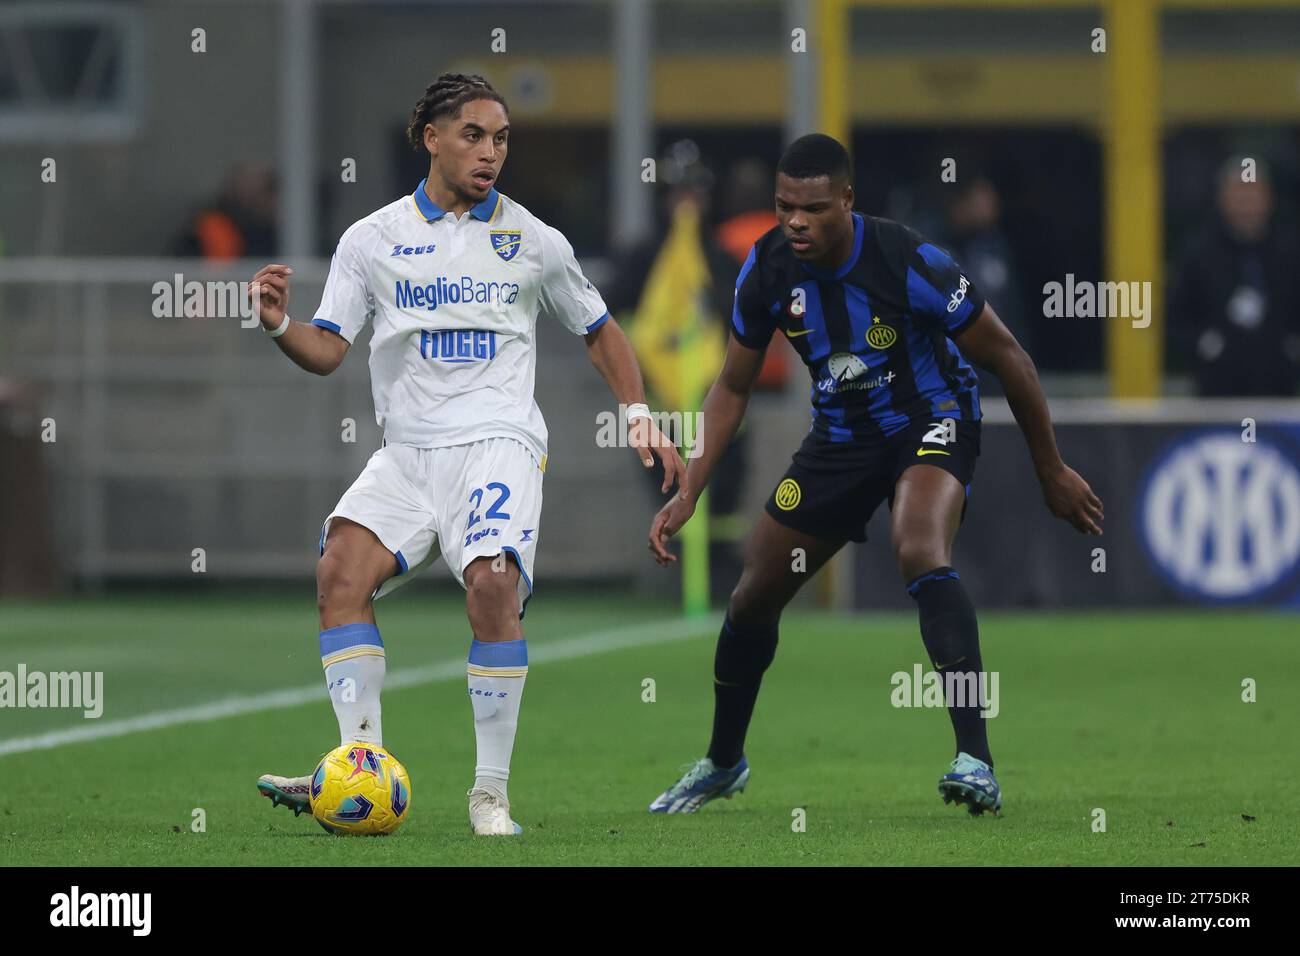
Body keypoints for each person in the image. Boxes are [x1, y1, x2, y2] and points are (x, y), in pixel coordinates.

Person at [250, 73, 683, 835]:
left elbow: (600, 328)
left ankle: (489, 795)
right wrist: (280, 325)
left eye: (503, 138)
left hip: (498, 443)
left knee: (491, 584)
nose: (492, 153)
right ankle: (360, 767)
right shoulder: (371, 239)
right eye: (476, 136)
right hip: (407, 453)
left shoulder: (533, 240)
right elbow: (326, 351)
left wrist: (638, 414)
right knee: (338, 572)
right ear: (433, 138)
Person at [646, 134, 1102, 816]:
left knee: (918, 547)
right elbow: (732, 387)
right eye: (784, 206)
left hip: (931, 420)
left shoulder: (907, 259)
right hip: (839, 442)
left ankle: (975, 759)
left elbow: (1011, 360)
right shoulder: (767, 268)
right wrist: (691, 488)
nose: (796, 221)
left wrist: (1052, 469)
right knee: (751, 596)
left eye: (813, 208)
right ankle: (722, 761)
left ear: (848, 202)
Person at [1168, 157, 1300, 396]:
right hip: (1217, 396)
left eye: (1253, 194)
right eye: (1239, 194)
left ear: (1268, 198)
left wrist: (1290, 347)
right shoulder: (1199, 254)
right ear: (1223, 199)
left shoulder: (1291, 252)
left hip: (1279, 392)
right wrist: (1206, 344)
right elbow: (1175, 322)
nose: (1246, 203)